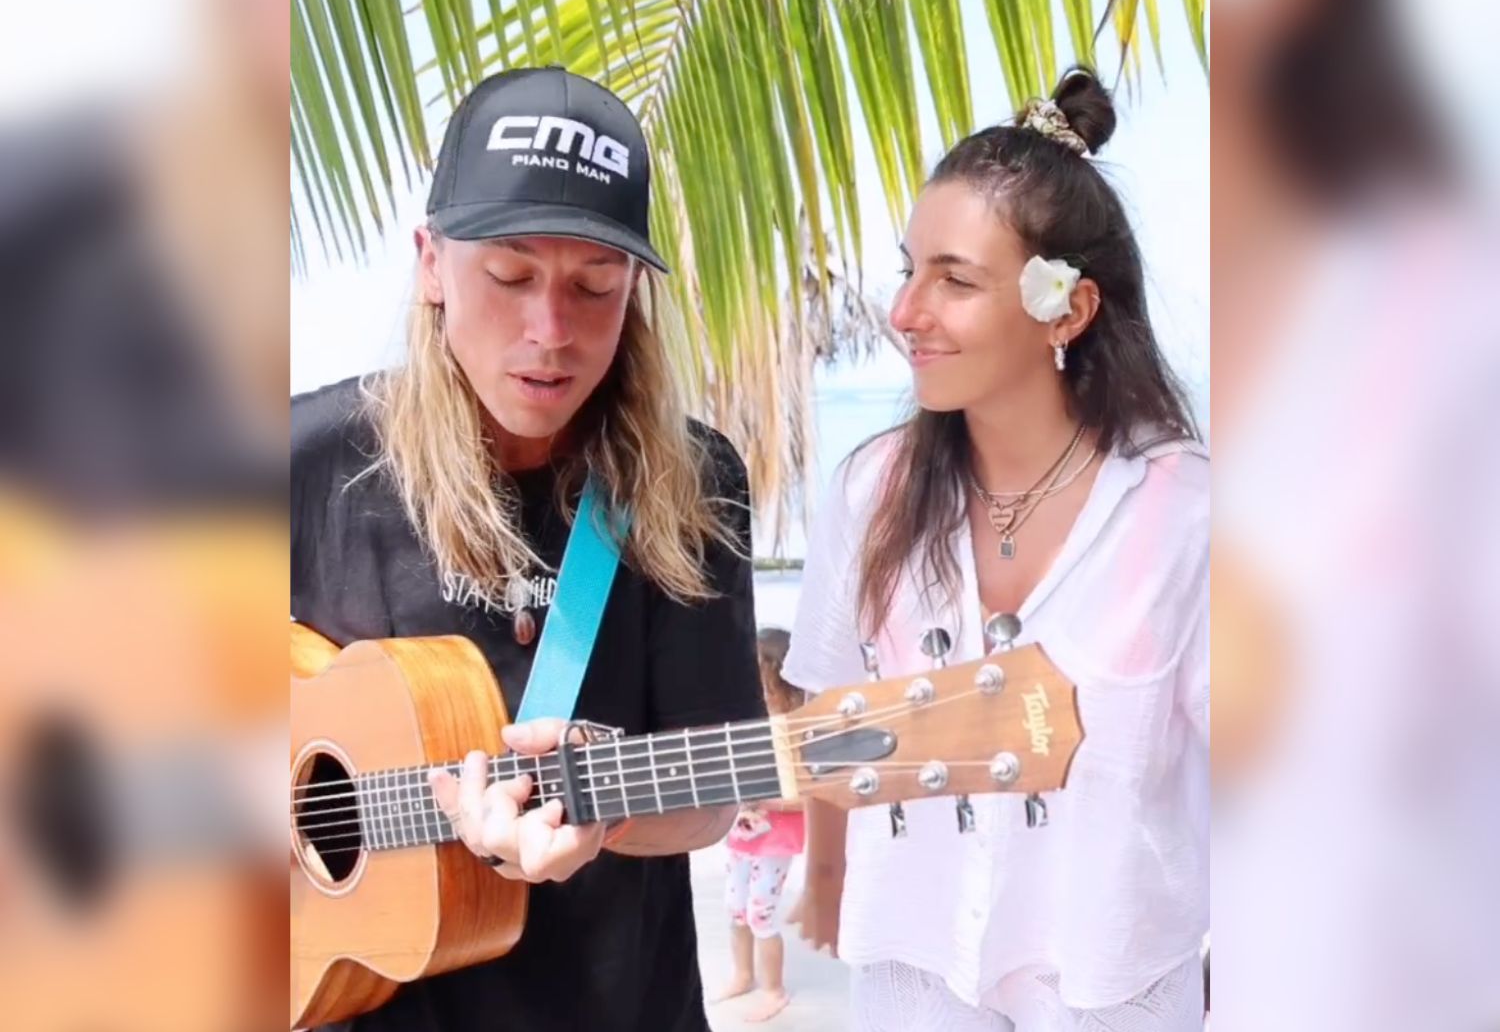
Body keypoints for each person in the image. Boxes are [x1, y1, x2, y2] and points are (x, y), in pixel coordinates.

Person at [291, 66, 766, 1032]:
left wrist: (606, 812)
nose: (551, 333)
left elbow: (719, 791)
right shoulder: (292, 462)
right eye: (509, 277)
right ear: (431, 263)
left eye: (595, 288)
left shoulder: (686, 476)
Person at [784, 68, 1209, 1031]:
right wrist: (825, 871)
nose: (905, 312)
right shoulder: (872, 491)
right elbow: (827, 707)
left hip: (1116, 990)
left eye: (955, 280)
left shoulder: (1184, 516)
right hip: (911, 971)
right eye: (909, 270)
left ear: (1068, 308)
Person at [713, 627, 806, 1023]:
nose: (759, 698)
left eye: (766, 690)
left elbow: (804, 797)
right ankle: (743, 974)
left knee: (760, 914)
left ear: (787, 689)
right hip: (740, 835)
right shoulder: (750, 728)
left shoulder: (796, 734)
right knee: (734, 908)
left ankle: (773, 989)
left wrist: (760, 800)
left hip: (774, 841)